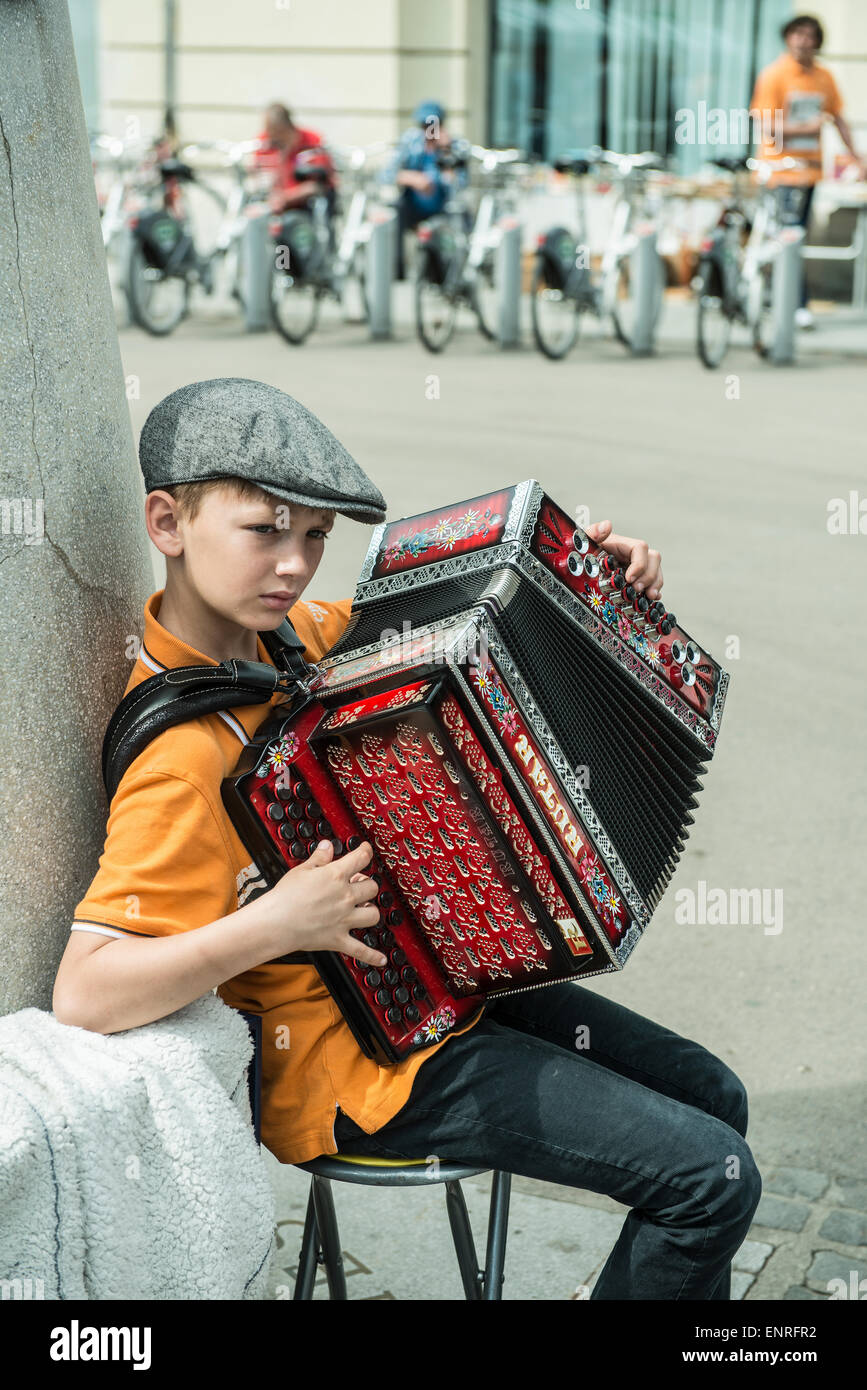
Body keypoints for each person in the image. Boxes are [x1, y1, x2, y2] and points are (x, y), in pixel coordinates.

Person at [53, 377, 761, 1299]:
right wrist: (276, 925)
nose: (295, 564)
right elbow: (85, 993)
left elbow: (469, 644)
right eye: (265, 529)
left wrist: (592, 584)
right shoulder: (181, 758)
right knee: (709, 1179)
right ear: (167, 522)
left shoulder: (291, 642)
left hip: (439, 984)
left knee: (717, 1099)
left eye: (314, 537)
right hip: (357, 1072)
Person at [751, 13, 866, 327]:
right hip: (780, 172)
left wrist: (856, 157)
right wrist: (805, 125)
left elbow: (838, 118)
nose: (803, 41)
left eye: (809, 35)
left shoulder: (823, 78)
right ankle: (794, 302)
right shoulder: (775, 75)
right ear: (788, 38)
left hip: (810, 172)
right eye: (797, 34)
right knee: (787, 238)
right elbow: (766, 126)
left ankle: (782, 297)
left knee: (794, 238)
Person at [386, 100, 465, 279]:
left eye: (432, 125)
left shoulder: (455, 145)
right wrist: (411, 178)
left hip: (441, 207)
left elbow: (459, 183)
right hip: (412, 206)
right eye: (425, 125)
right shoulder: (411, 141)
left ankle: (443, 276)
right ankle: (397, 273)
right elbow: (387, 173)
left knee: (454, 221)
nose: (428, 130)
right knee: (394, 213)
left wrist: (446, 151)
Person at [253, 101, 336, 215]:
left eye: (277, 133)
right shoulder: (264, 141)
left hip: (305, 206)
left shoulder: (311, 141)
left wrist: (286, 198)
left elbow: (318, 185)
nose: (272, 138)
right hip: (273, 204)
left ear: (287, 127)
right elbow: (258, 175)